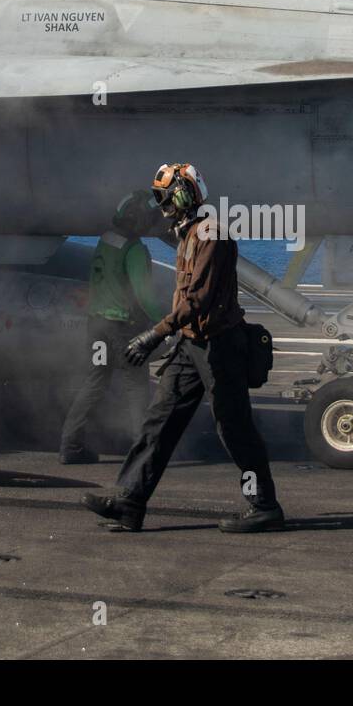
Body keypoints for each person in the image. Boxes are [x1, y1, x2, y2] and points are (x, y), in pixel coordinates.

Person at [80, 163, 286, 533]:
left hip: (220, 347)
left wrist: (154, 333)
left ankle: (265, 506)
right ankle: (130, 502)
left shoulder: (211, 235)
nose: (162, 207)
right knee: (159, 422)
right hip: (192, 345)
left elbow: (199, 300)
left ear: (183, 195)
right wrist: (170, 334)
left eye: (165, 198)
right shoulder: (190, 233)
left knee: (234, 427)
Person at [57, 190, 167, 464]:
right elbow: (143, 295)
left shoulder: (105, 240)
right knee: (136, 388)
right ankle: (142, 455)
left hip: (96, 326)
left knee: (94, 382)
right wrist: (164, 319)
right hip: (124, 327)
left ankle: (69, 446)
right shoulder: (134, 249)